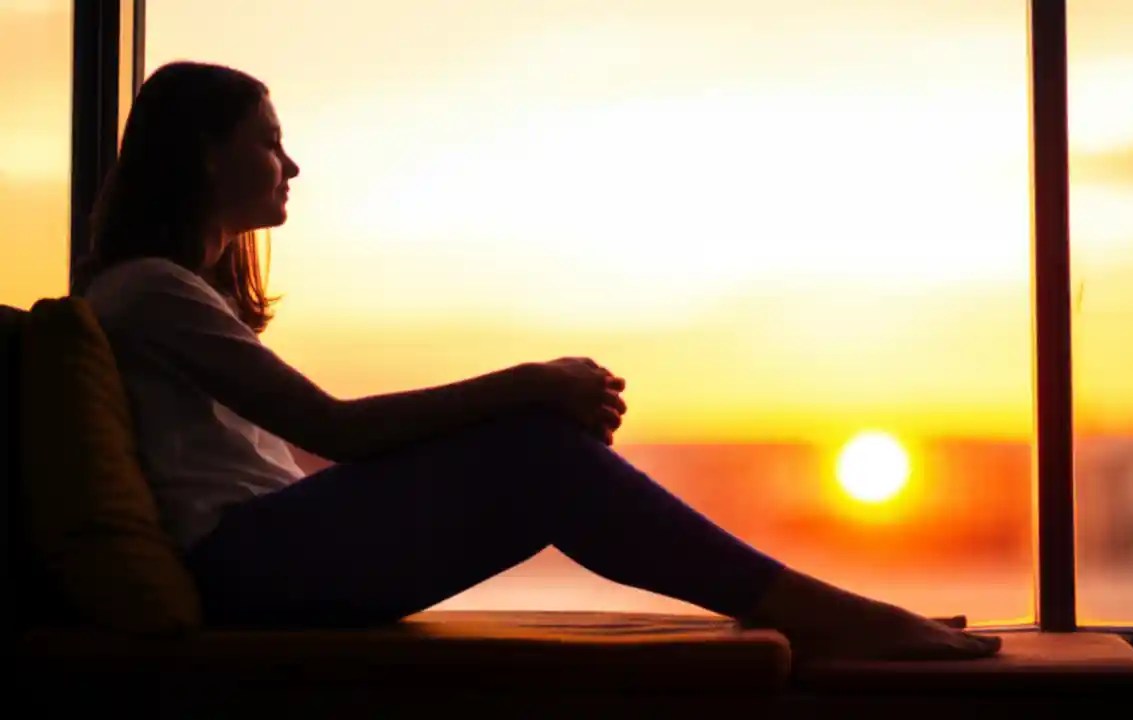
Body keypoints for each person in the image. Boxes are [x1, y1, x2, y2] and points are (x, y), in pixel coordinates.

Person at [72, 61, 1001, 663]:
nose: (291, 164)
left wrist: (518, 409)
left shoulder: (160, 291)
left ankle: (812, 606)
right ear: (203, 155)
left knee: (531, 449)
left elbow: (328, 446)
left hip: (263, 556)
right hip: (243, 569)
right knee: (536, 455)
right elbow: (335, 430)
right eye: (269, 140)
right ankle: (820, 610)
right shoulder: (150, 290)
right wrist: (532, 386)